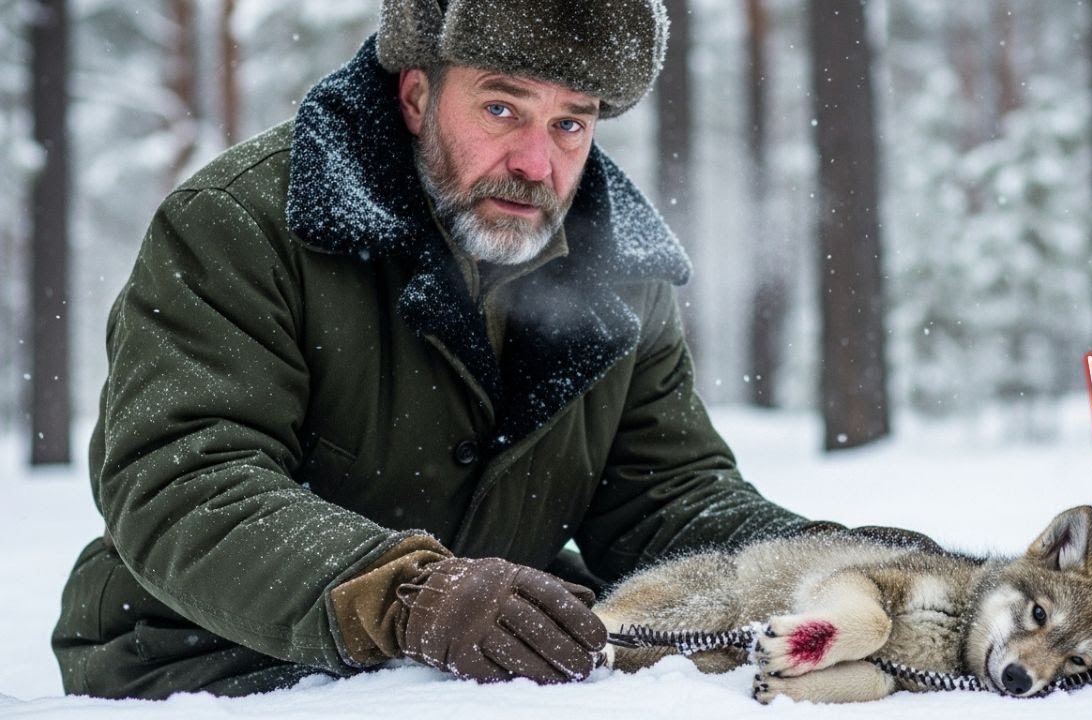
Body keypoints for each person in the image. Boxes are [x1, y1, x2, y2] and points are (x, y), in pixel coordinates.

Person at [50, 0, 843, 699]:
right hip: (211, 667)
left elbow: (664, 497)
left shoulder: (620, 270)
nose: (538, 163)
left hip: (490, 675)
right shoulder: (240, 224)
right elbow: (186, 480)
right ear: (417, 93)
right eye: (503, 108)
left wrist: (832, 569)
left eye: (571, 122)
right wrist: (407, 599)